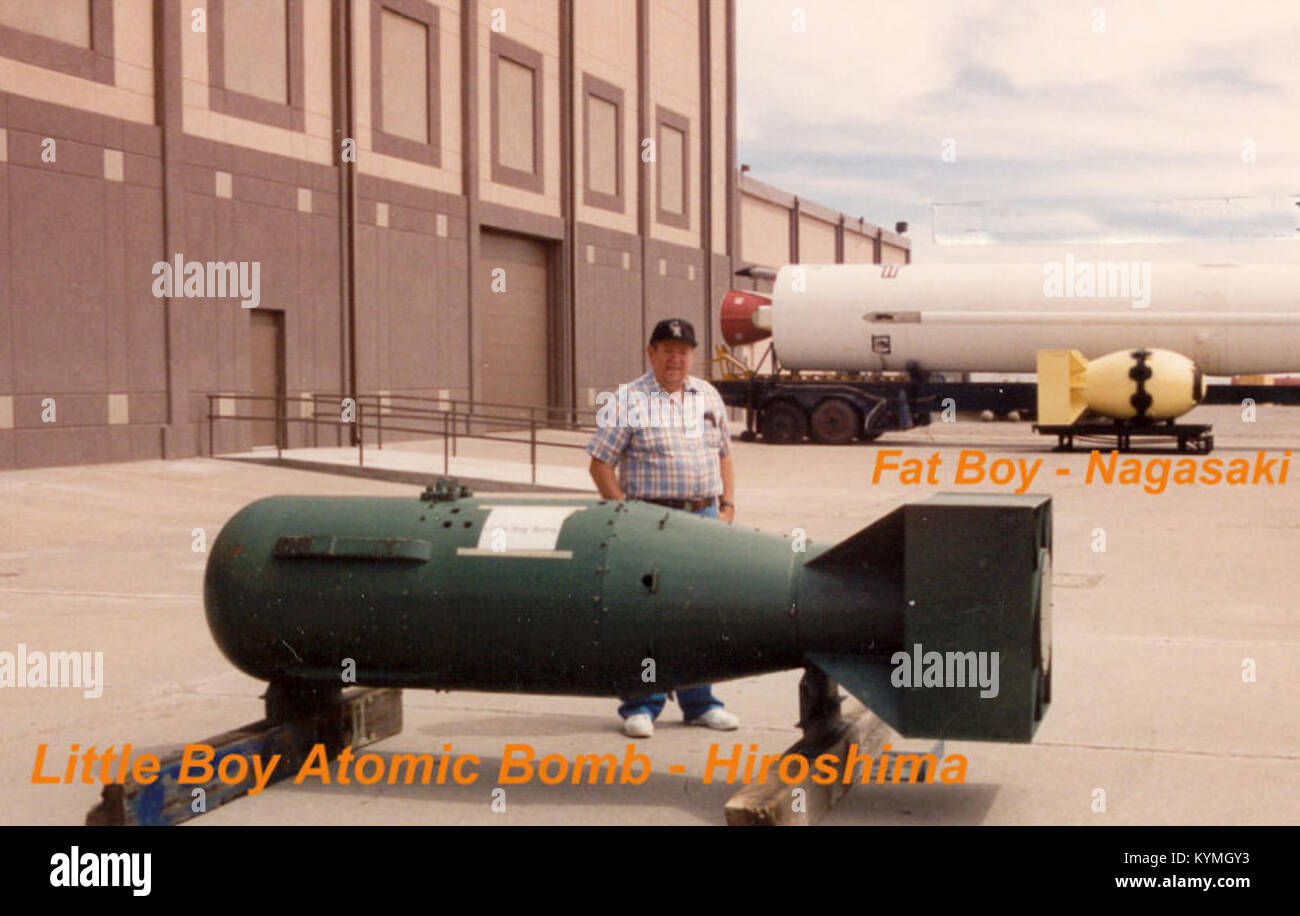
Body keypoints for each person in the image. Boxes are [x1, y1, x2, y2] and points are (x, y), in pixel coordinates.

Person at [586, 317, 740, 739]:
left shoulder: (707, 395)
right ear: (651, 352)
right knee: (646, 614)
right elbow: (601, 463)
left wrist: (727, 505)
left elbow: (725, 454)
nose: (676, 358)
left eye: (684, 350)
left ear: (693, 354)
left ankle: (701, 703)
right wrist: (624, 517)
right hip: (650, 522)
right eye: (667, 349)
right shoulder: (628, 399)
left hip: (703, 517)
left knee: (701, 612)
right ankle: (641, 705)